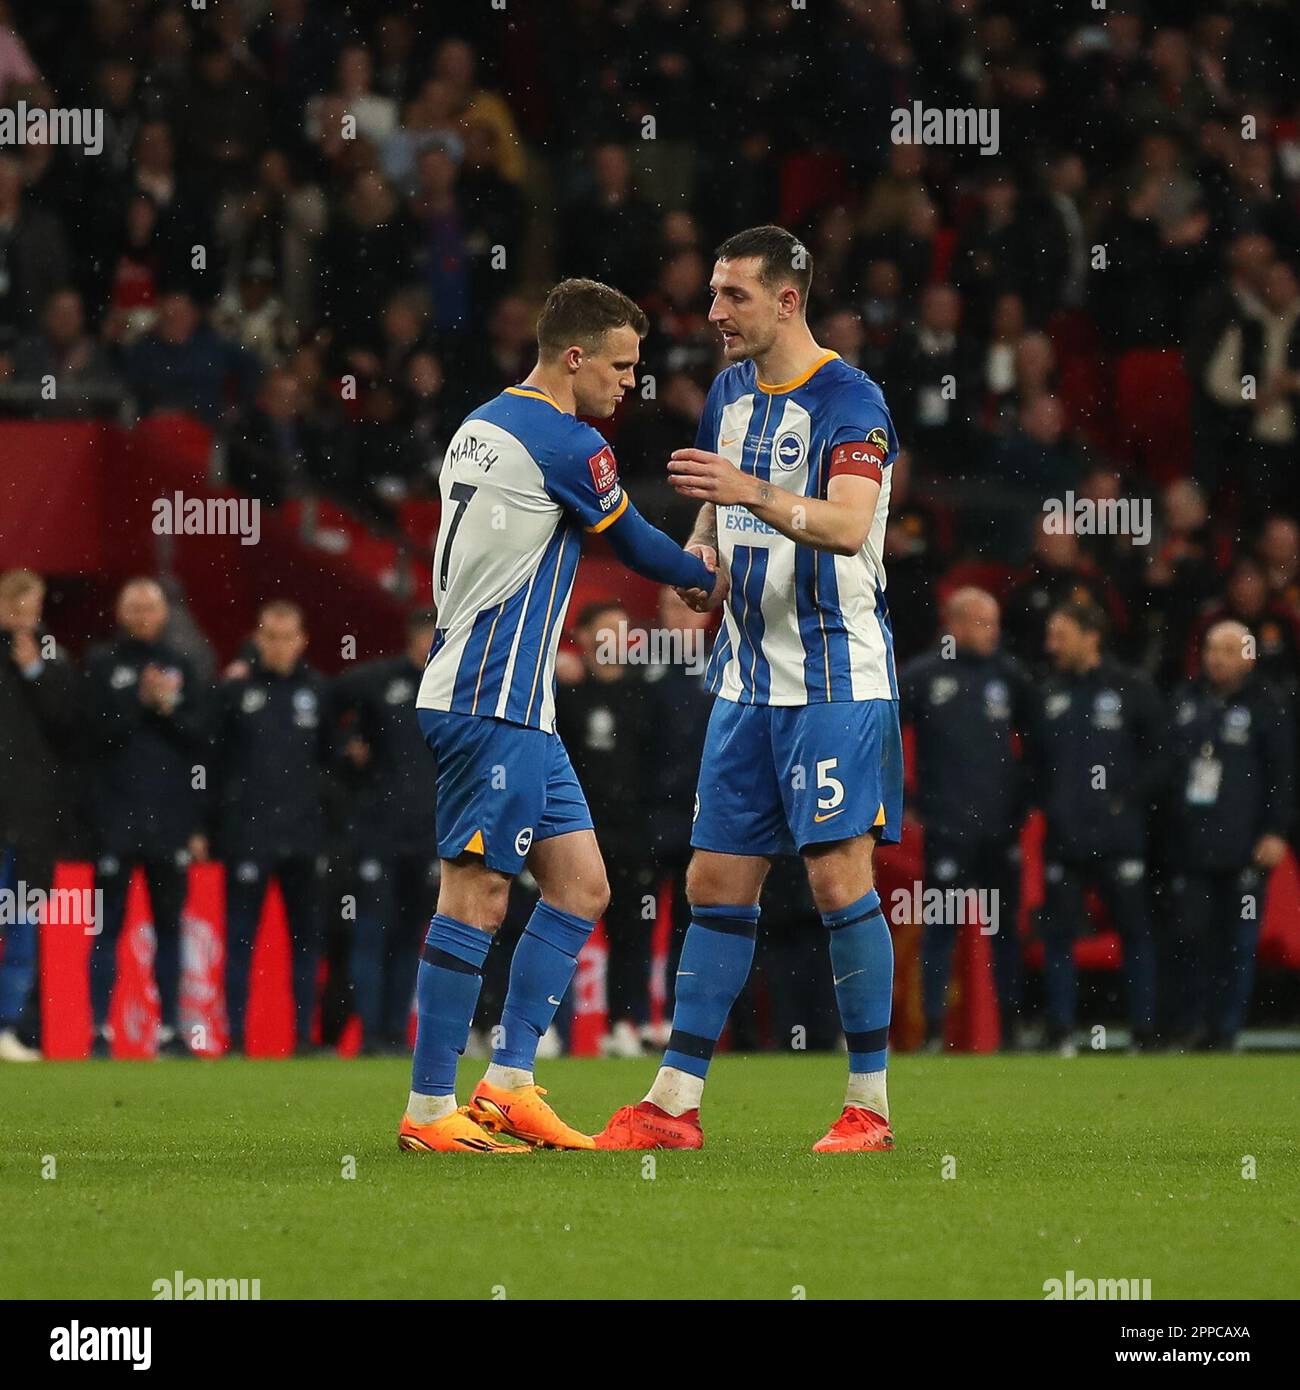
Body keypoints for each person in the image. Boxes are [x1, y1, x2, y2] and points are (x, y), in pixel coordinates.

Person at [595, 224, 903, 1154]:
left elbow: (848, 526)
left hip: (835, 678)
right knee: (716, 882)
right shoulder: (729, 392)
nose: (716, 311)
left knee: (837, 878)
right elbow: (713, 506)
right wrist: (700, 558)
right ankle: (674, 1104)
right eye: (715, 293)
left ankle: (869, 1107)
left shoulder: (851, 399)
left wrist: (750, 491)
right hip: (744, 680)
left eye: (734, 295)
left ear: (788, 299)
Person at [398, 277, 720, 1155]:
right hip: (487, 699)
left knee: (581, 886)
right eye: (620, 366)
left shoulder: (480, 423)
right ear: (573, 357)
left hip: (515, 705)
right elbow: (635, 544)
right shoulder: (567, 441)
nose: (630, 383)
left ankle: (507, 1084)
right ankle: (428, 1107)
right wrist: (704, 575)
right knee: (477, 895)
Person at [1024, 600, 1165, 1056]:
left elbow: (1162, 756)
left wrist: (1125, 800)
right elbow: (1033, 764)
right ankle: (1062, 1031)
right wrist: (1049, 804)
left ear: (1091, 636)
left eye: (1060, 635)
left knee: (1135, 933)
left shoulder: (1131, 688)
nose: (1050, 645)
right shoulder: (1046, 693)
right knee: (1059, 936)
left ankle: (1143, 1032)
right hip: (1064, 839)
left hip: (1119, 838)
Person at [898, 588, 1033, 1050]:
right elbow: (885, 735)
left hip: (1000, 830)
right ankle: (934, 1030)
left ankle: (1012, 1030)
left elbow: (1040, 744)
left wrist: (1022, 804)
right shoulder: (923, 675)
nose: (992, 633)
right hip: (946, 829)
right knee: (941, 929)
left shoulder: (1009, 676)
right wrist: (906, 799)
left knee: (1005, 930)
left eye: (994, 623)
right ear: (954, 624)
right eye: (982, 623)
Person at [83, 579, 210, 1058]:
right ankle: (100, 1030)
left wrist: (167, 706)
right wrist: (140, 701)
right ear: (121, 612)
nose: (141, 616)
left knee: (169, 927)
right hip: (115, 819)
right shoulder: (101, 663)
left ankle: (170, 1030)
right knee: (107, 927)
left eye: (149, 608)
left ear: (163, 614)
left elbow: (201, 738)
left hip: (168, 822)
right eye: (133, 607)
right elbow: (94, 734)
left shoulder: (182, 665)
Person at [1163, 621, 1294, 1050]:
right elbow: (1168, 767)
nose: (1215, 658)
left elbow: (1283, 775)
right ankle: (1192, 1025)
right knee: (1191, 937)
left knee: (1237, 942)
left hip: (1246, 848)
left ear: (1249, 656)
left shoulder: (1268, 704)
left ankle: (1226, 1030)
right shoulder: (1186, 699)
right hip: (1193, 845)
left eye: (1227, 650)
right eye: (1211, 649)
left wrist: (1275, 831)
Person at [213, 600, 332, 1056]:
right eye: (271, 637)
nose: (279, 646)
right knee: (240, 938)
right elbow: (215, 760)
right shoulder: (234, 692)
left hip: (304, 835)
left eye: (287, 637)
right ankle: (235, 1039)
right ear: (257, 640)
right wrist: (217, 823)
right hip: (249, 835)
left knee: (306, 941)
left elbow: (331, 763)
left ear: (302, 641)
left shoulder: (318, 691)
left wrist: (326, 825)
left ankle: (303, 1038)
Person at [332, 608, 440, 1055]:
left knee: (410, 935)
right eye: (426, 635)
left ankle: (395, 1032)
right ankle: (370, 1032)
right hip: (379, 830)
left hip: (430, 832)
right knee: (372, 931)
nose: (430, 644)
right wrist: (346, 748)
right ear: (413, 637)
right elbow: (331, 700)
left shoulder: (453, 686)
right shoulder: (379, 682)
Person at [555, 600, 656, 1058]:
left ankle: (623, 1025)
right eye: (605, 630)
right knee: (561, 927)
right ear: (582, 636)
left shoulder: (644, 694)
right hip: (574, 832)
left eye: (622, 630)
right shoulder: (565, 694)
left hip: (632, 835)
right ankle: (545, 1030)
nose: (616, 640)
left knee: (632, 934)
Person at [0, 570, 78, 1061]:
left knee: (23, 926)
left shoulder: (51, 656)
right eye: (14, 606)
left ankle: (8, 1026)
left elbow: (70, 723)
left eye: (30, 607)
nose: (22, 616)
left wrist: (35, 671)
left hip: (31, 819)